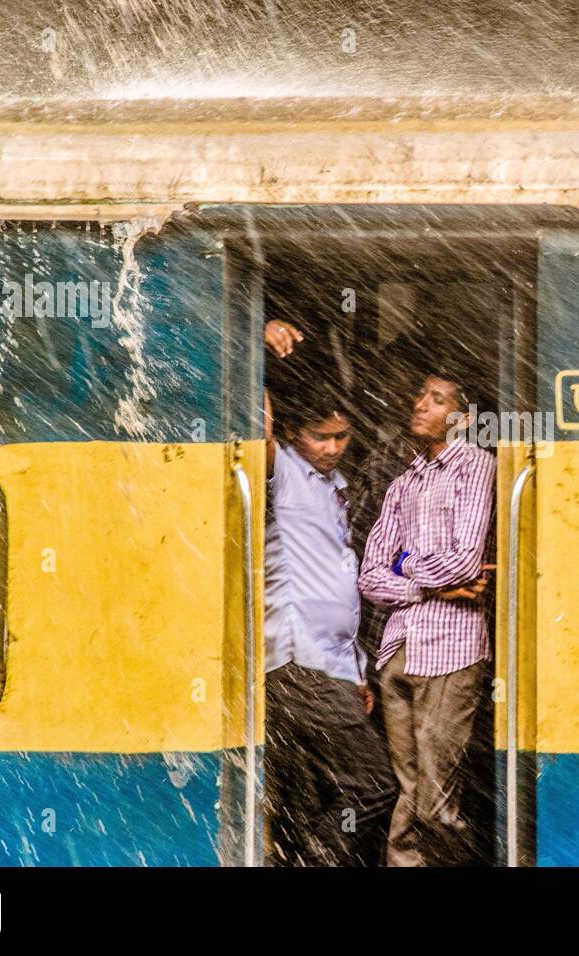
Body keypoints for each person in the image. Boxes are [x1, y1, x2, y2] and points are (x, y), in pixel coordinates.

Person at [262, 318, 397, 866]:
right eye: (321, 436)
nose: (334, 447)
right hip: (299, 662)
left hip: (330, 667)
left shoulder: (336, 489)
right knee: (373, 787)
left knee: (317, 795)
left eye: (342, 436)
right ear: (296, 433)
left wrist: (355, 671)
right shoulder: (285, 475)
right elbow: (257, 422)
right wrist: (257, 341)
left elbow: (338, 586)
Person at [358, 369, 497, 867]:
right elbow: (369, 577)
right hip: (398, 652)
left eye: (436, 400)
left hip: (450, 650)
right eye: (421, 394)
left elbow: (463, 561)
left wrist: (403, 561)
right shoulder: (402, 483)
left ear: (461, 417)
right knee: (410, 788)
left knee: (436, 798)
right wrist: (423, 581)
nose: (420, 404)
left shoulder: (476, 467)